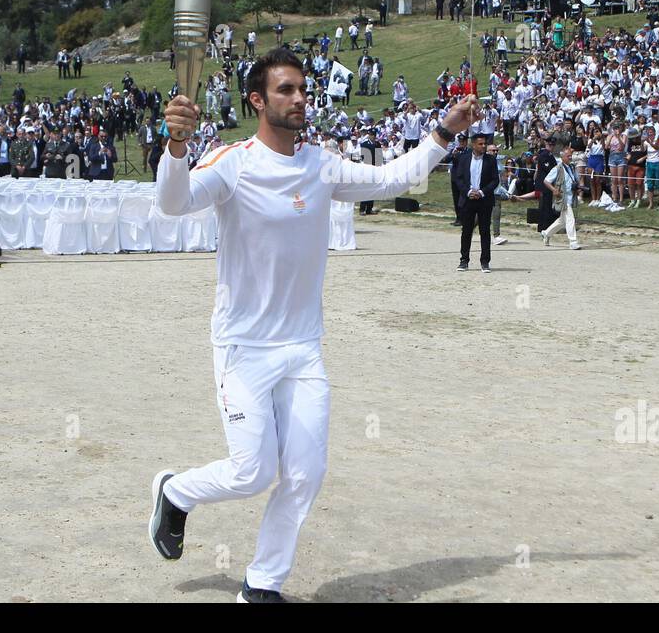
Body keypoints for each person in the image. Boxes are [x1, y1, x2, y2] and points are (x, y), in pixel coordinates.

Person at [149, 47, 478, 603]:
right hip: (243, 346)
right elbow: (172, 204)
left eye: (303, 89)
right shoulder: (232, 162)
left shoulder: (321, 166)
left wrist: (442, 132)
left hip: (302, 349)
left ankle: (262, 583)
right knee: (252, 472)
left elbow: (392, 178)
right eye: (286, 90)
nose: (300, 98)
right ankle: (176, 492)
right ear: (257, 99)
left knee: (305, 472)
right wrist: (176, 146)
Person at [452, 133, 499, 272]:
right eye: (480, 144)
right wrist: (468, 192)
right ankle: (464, 260)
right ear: (473, 144)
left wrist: (482, 192)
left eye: (485, 143)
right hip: (468, 200)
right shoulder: (463, 159)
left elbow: (495, 180)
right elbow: (458, 179)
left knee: (484, 231)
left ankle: (485, 262)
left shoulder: (491, 160)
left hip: (484, 200)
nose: (483, 146)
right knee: (466, 231)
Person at [541, 145, 581, 250]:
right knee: (570, 218)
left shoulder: (572, 167)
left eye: (571, 156)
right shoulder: (557, 168)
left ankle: (546, 233)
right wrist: (554, 190)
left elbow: (576, 180)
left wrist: (577, 187)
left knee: (562, 221)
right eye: (568, 156)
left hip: (571, 196)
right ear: (562, 157)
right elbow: (546, 181)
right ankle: (573, 241)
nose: (570, 158)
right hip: (562, 197)